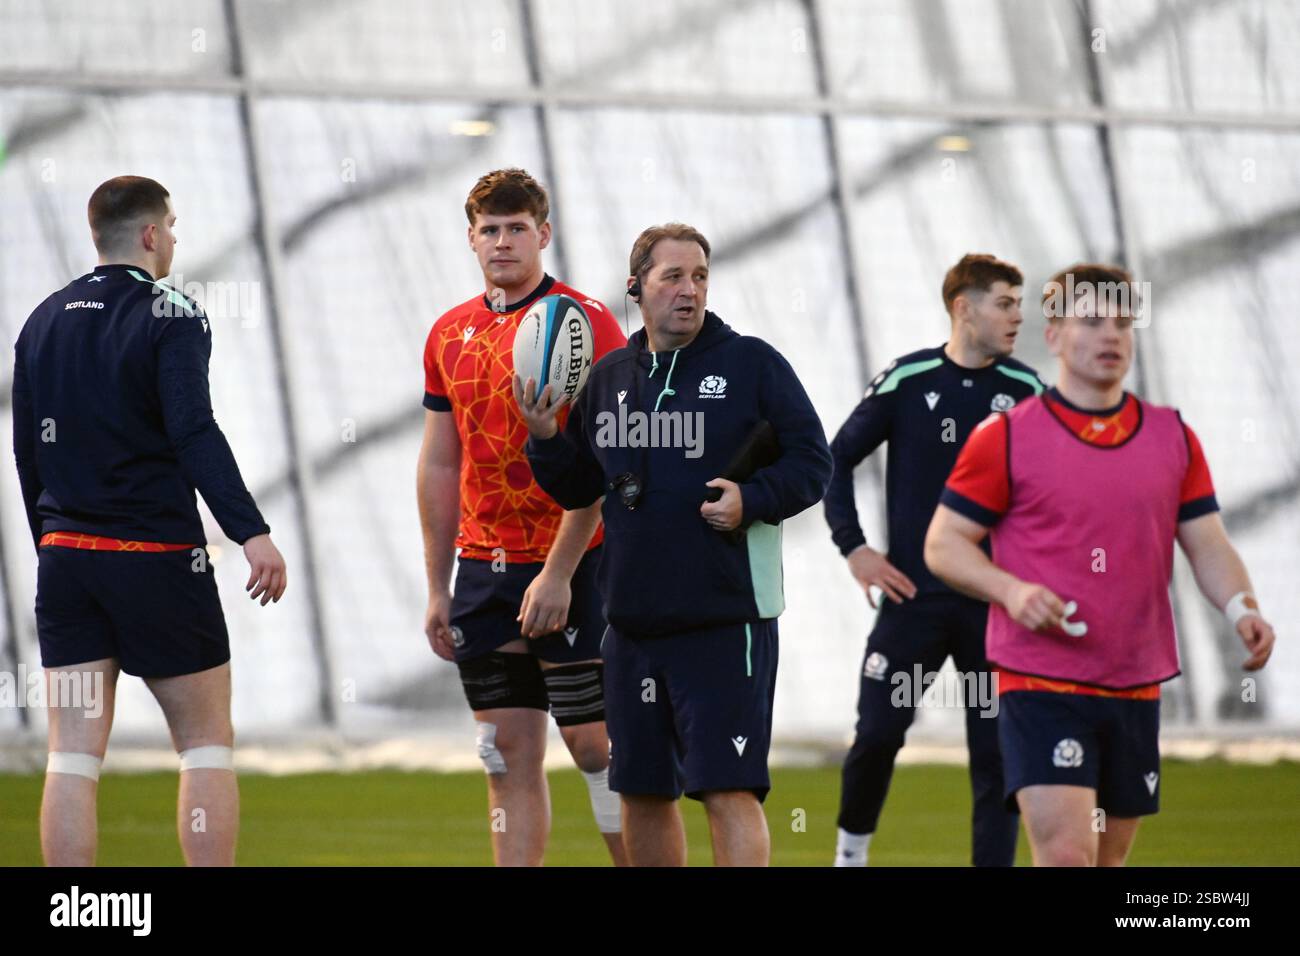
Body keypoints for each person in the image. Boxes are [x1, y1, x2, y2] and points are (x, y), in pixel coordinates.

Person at [925, 263, 1276, 867]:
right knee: (1066, 857)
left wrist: (1242, 607)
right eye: (1091, 321)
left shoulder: (1173, 437)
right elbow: (945, 544)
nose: (1111, 335)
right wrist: (1010, 592)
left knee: (1108, 864)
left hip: (1134, 683)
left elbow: (1208, 544)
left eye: (1122, 321)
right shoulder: (1005, 437)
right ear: (1055, 335)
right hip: (1039, 683)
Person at [517, 222, 832, 866]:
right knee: (642, 792)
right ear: (637, 288)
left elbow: (813, 463)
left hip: (724, 623)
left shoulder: (752, 365)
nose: (689, 292)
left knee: (727, 788)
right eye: (672, 278)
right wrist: (545, 435)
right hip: (630, 629)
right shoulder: (607, 379)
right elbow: (578, 485)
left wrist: (755, 499)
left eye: (700, 277)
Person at [12, 175, 286, 866]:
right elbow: (193, 430)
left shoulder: (42, 319)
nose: (175, 238)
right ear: (150, 234)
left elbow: (25, 452)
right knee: (203, 742)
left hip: (67, 560)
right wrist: (250, 530)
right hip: (156, 556)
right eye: (172, 224)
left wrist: (49, 542)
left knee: (71, 756)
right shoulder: (172, 310)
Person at [417, 168, 628, 866]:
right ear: (472, 239)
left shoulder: (588, 321)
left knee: (596, 748)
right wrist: (438, 585)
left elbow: (608, 461)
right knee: (503, 756)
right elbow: (441, 465)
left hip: (578, 562)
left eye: (517, 229)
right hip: (484, 572)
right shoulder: (449, 332)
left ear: (544, 234)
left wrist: (561, 574)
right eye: (490, 230)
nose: (503, 242)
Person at [824, 253, 1043, 867]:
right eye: (1004, 303)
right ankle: (850, 855)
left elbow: (1059, 491)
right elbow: (834, 461)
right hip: (911, 601)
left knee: (997, 759)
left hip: (992, 609)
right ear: (963, 308)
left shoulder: (1026, 393)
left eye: (1019, 305)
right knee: (875, 737)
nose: (1016, 317)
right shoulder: (907, 379)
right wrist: (856, 549)